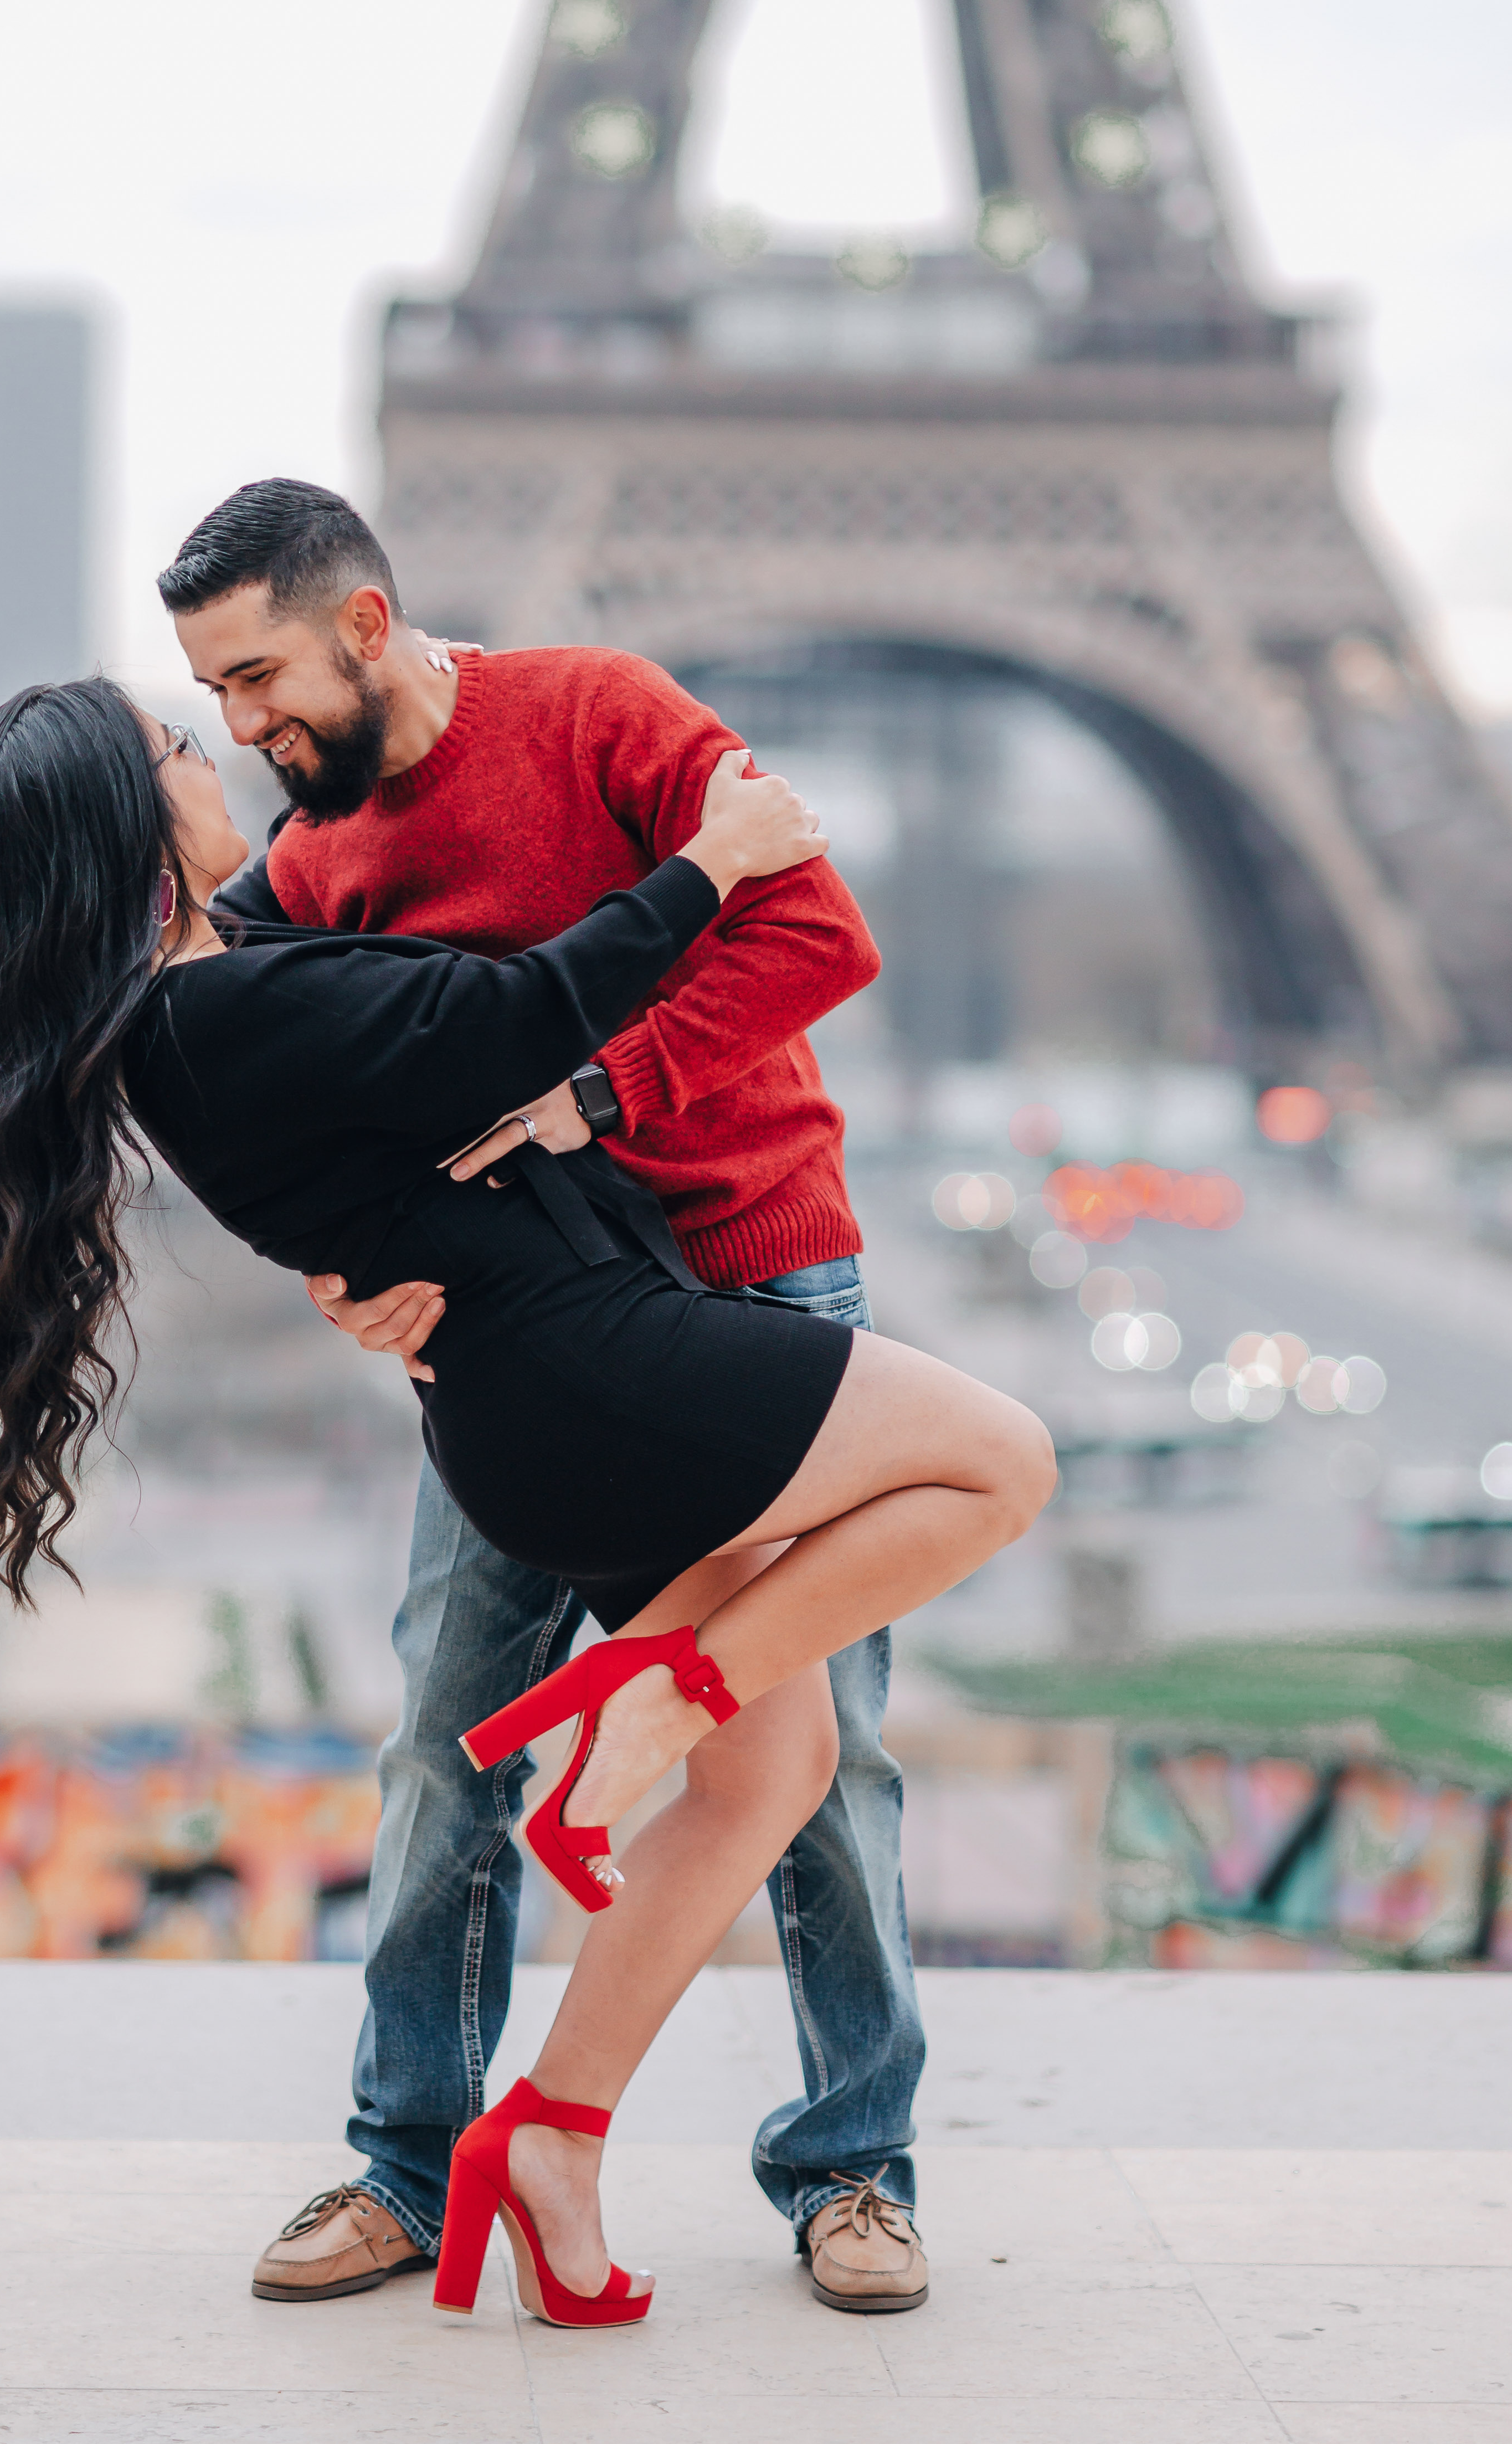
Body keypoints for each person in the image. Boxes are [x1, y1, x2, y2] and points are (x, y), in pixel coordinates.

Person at [0, 665, 1055, 2328]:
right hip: (603, 1372)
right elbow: (506, 1024)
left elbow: (383, 1122)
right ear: (123, 824)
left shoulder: (211, 985)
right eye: (185, 740)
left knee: (776, 1773)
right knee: (1001, 1461)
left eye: (232, 700)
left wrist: (354, 1264)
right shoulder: (218, 1005)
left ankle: (553, 2134)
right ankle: (650, 1707)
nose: (225, 752)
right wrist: (710, 864)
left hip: (547, 1395)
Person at [161, 482, 942, 2315]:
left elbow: (817, 937)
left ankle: (852, 2170)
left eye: (260, 678)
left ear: (364, 624)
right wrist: (343, 1275)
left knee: (824, 1768)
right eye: (213, 699)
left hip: (751, 1280)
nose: (246, 727)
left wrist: (593, 1099)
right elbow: (289, 1102)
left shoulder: (599, 711)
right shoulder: (306, 859)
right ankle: (407, 2165)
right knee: (443, 1742)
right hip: (528, 1338)